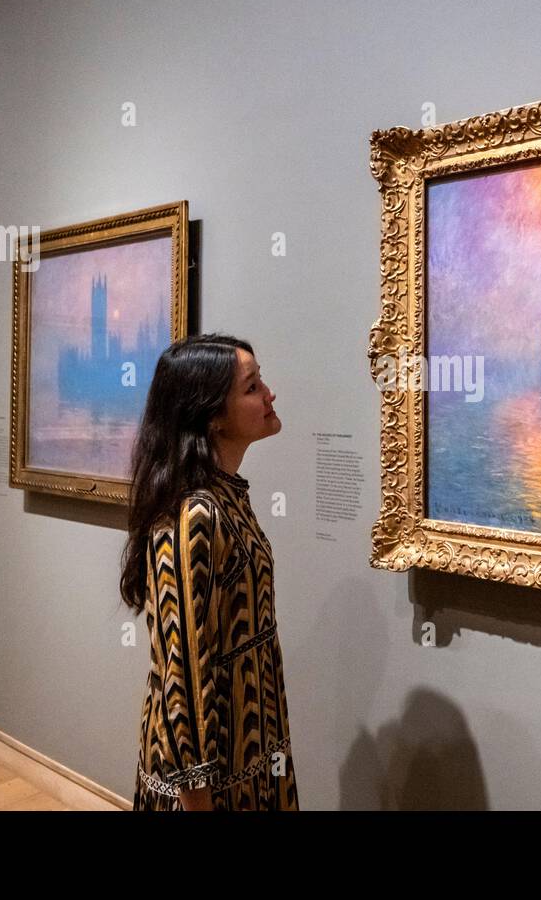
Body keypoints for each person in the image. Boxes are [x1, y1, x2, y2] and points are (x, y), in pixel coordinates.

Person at [120, 332, 298, 810]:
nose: (269, 394)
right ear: (213, 417)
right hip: (209, 782)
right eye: (252, 386)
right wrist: (198, 799)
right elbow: (182, 670)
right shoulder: (193, 515)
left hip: (251, 752)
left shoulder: (225, 494)